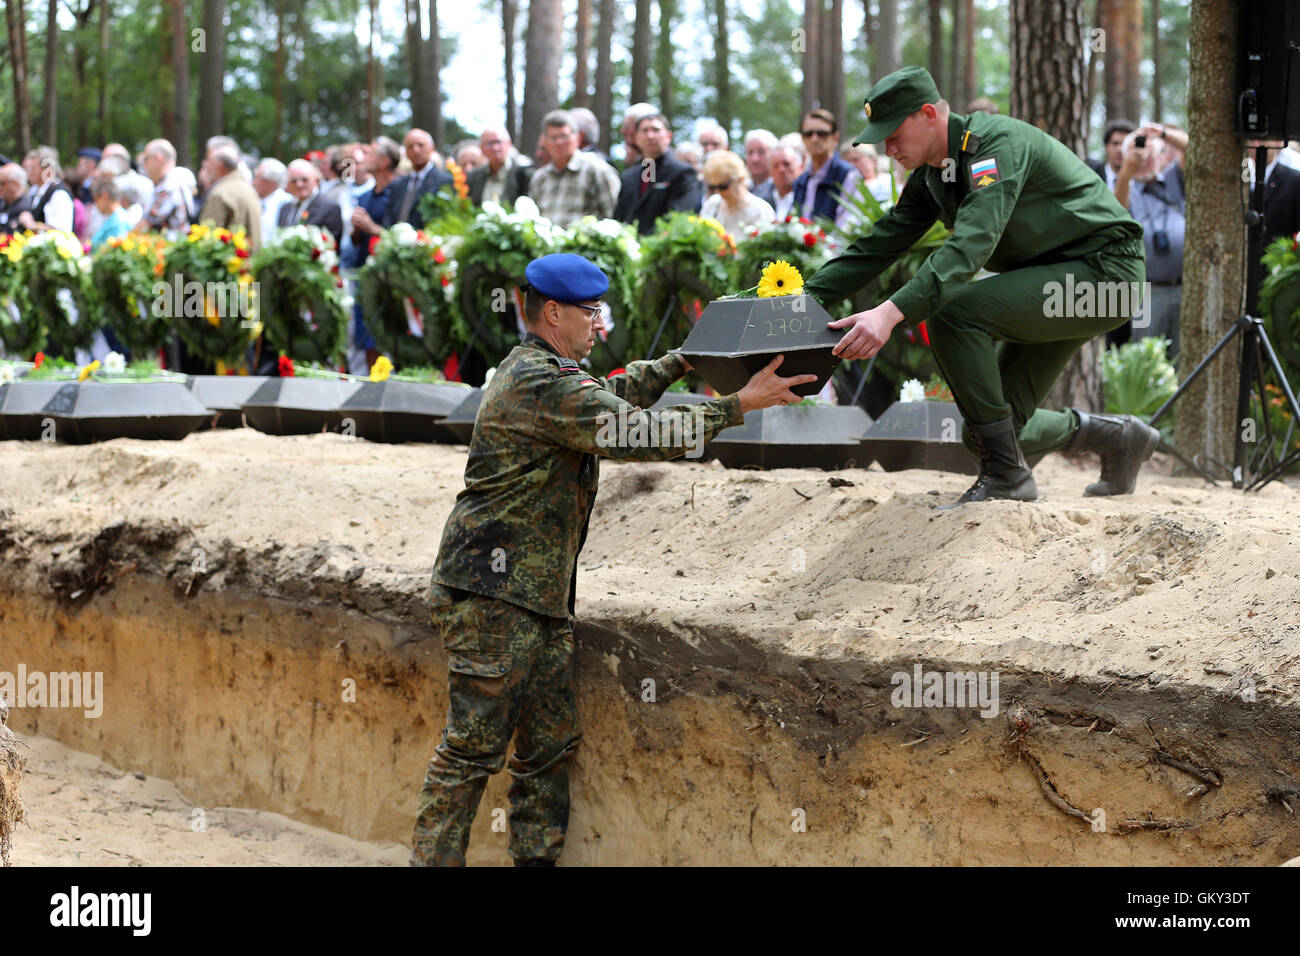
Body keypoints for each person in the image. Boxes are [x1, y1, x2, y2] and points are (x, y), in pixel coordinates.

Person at [411, 252, 816, 867]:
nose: (600, 322)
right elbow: (633, 431)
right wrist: (737, 407)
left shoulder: (552, 373)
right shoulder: (542, 382)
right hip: (493, 598)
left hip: (537, 597)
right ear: (554, 313)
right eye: (590, 312)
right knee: (472, 751)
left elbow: (613, 395)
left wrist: (684, 360)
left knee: (547, 747)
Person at [802, 66, 1157, 505]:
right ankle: (1118, 437)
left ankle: (1008, 478)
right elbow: (878, 246)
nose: (887, 147)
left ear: (929, 114)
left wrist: (889, 313)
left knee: (954, 314)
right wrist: (801, 300)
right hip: (1058, 281)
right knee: (990, 432)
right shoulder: (934, 176)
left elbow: (971, 246)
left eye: (894, 133)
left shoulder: (993, 148)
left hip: (1106, 278)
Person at [1114, 124, 1187, 359]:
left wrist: (1163, 133)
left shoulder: (1176, 179)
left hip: (1185, 286)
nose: (1145, 162)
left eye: (1150, 156)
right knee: (1147, 358)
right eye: (1138, 156)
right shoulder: (1123, 188)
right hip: (1148, 290)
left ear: (1162, 157)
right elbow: (1116, 214)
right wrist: (1126, 172)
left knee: (1183, 356)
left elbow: (1194, 149)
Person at [343, 136, 402, 374]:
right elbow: (357, 240)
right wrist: (357, 230)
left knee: (389, 336)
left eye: (370, 154)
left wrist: (371, 227)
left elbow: (402, 234)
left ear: (385, 161)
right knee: (367, 338)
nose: (363, 159)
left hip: (389, 277)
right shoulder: (366, 196)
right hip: (363, 275)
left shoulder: (398, 192)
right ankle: (372, 387)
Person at [612, 111, 701, 234]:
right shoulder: (629, 176)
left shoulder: (683, 174)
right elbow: (619, 217)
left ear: (668, 136)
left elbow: (678, 218)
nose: (650, 135)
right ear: (636, 138)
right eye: (644, 130)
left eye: (656, 130)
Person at [529, 110, 621, 227]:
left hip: (585, 243)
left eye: (564, 136)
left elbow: (614, 218)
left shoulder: (598, 171)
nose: (559, 143)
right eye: (553, 138)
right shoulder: (539, 177)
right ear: (545, 142)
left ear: (577, 138)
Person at [790, 109, 861, 230]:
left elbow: (849, 226)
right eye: (808, 134)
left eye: (821, 133)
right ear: (802, 138)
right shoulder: (801, 182)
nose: (814, 139)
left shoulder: (848, 175)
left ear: (835, 137)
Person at [197, 143, 263, 250]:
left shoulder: (220, 194)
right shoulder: (248, 188)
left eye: (208, 161)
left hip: (230, 263)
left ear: (220, 166)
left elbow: (207, 240)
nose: (206, 165)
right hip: (251, 261)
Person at [385, 129, 454, 229]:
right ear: (405, 151)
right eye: (410, 146)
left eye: (421, 145)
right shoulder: (397, 185)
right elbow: (389, 217)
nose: (415, 150)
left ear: (432, 148)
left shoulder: (444, 181)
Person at [698, 149, 774, 236]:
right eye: (712, 187)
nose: (717, 191)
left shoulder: (761, 211)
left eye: (723, 187)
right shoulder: (712, 205)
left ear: (740, 180)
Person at [277, 158, 344, 246]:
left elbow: (332, 245)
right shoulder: (285, 208)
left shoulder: (329, 208)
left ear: (315, 180)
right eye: (294, 181)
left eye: (304, 180)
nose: (299, 184)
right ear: (288, 184)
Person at [133, 139, 192, 236]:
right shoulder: (178, 179)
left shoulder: (167, 188)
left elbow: (144, 226)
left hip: (169, 248)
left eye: (145, 159)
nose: (143, 165)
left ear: (157, 158)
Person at [466, 126, 532, 206]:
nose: (495, 148)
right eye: (490, 143)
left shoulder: (524, 175)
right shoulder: (474, 177)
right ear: (481, 148)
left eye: (499, 142)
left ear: (509, 144)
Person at [18, 146, 75, 234]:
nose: (29, 172)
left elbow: (62, 231)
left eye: (33, 168)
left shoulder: (59, 195)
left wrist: (32, 224)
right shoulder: (36, 191)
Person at [753, 144, 804, 220]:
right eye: (775, 166)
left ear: (801, 167)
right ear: (770, 171)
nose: (781, 170)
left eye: (786, 164)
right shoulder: (759, 200)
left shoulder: (808, 198)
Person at [1086, 119, 1135, 190]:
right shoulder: (1091, 174)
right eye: (1115, 143)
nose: (1120, 150)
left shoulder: (1142, 181)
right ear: (1106, 146)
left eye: (1125, 145)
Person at [252, 158, 293, 242]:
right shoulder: (255, 199)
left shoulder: (286, 202)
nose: (253, 183)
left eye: (258, 178)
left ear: (272, 182)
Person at [88, 179, 132, 250]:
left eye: (96, 199)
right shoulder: (114, 217)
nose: (96, 205)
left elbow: (114, 252)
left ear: (104, 196)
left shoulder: (119, 221)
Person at [0, 163, 32, 234]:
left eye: (2, 183)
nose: (0, 188)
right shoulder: (3, 203)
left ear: (15, 183)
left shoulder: (29, 206)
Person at [744, 129, 778, 193]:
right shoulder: (739, 189)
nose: (755, 159)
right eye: (750, 153)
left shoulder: (780, 191)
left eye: (761, 152)